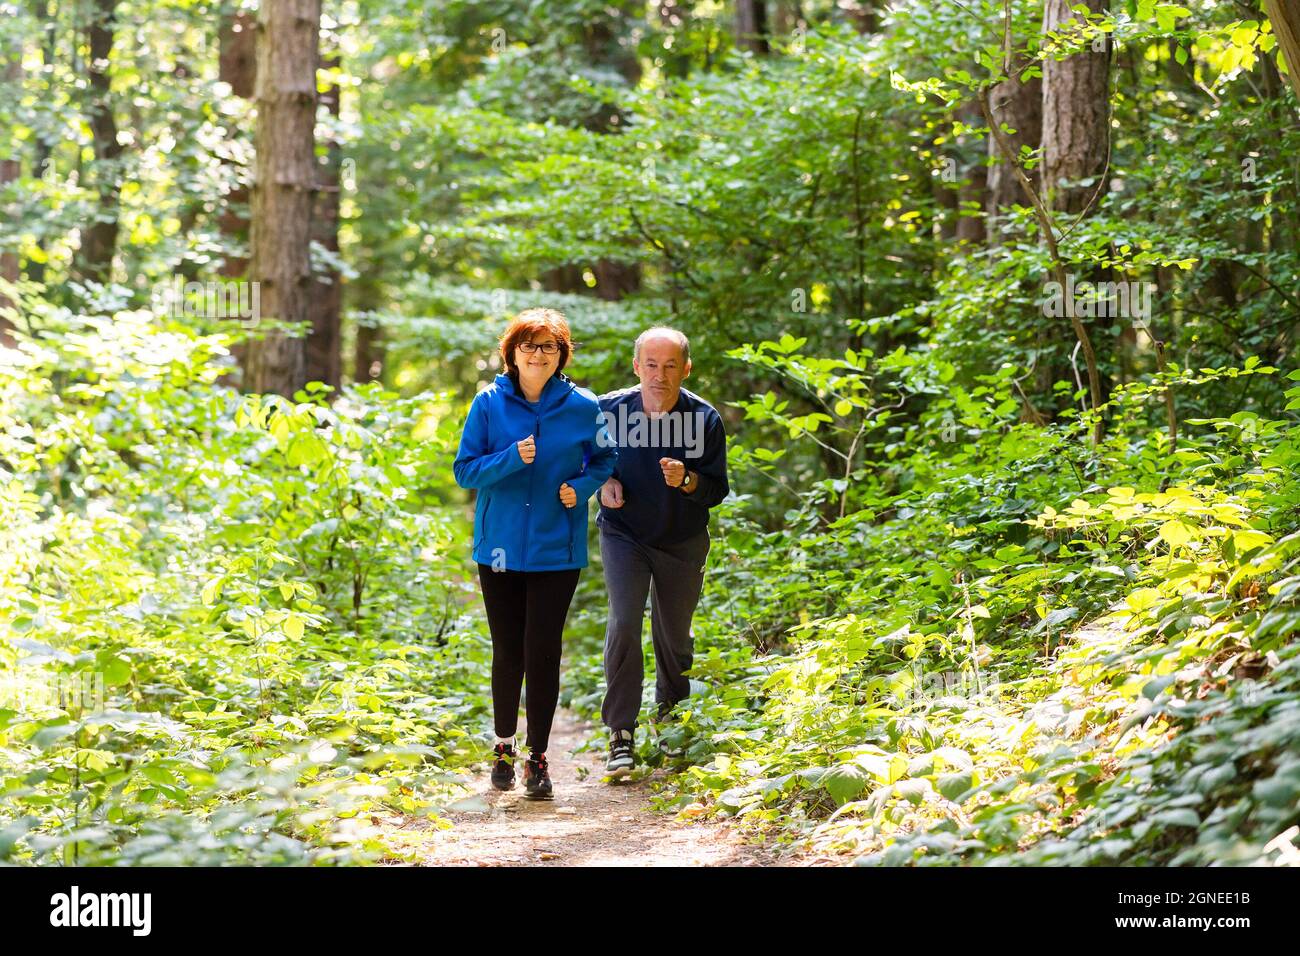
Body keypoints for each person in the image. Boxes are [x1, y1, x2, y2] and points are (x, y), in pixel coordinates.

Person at [453, 308, 616, 800]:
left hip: (556, 549)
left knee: (543, 653)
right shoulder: (487, 405)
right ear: (512, 352)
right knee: (508, 650)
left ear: (561, 354)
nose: (538, 354)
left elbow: (607, 457)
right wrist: (509, 458)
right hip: (498, 548)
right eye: (529, 345)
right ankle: (503, 746)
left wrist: (582, 485)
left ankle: (538, 759)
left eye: (548, 346)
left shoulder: (584, 406)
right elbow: (464, 472)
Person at [596, 327, 729, 778]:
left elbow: (716, 490)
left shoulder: (705, 419)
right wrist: (603, 482)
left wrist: (688, 480)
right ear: (637, 367)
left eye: (670, 365)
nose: (660, 374)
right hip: (624, 535)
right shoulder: (608, 411)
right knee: (625, 620)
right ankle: (620, 734)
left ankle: (671, 725)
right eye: (651, 364)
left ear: (686, 369)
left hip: (681, 540)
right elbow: (584, 461)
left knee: (674, 637)